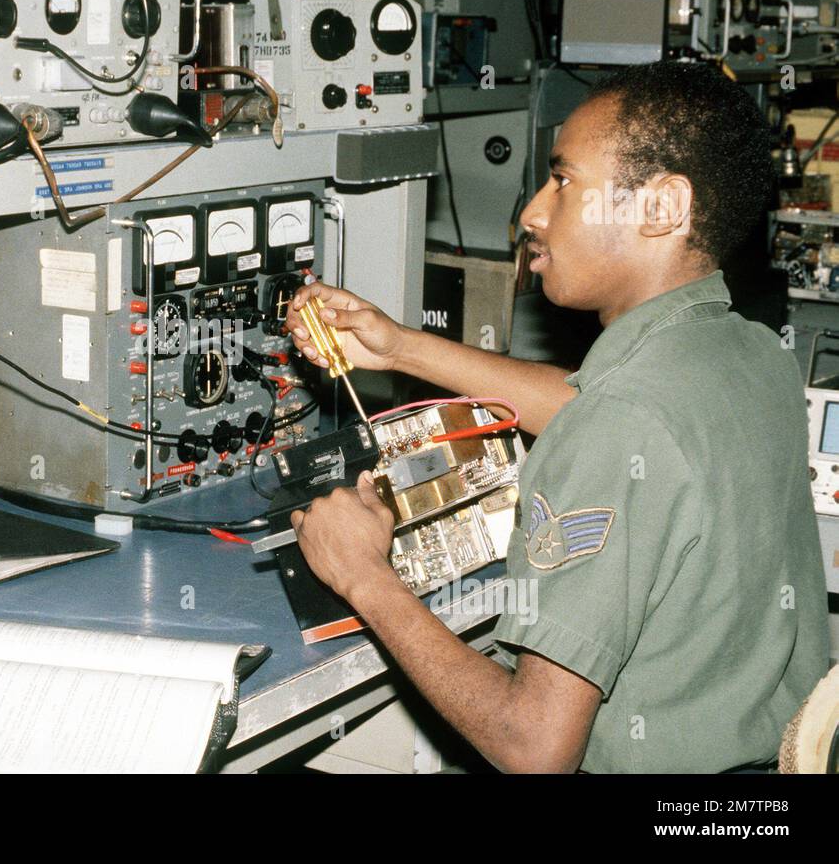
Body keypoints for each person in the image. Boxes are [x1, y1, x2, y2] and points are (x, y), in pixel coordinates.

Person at [284, 61, 830, 773]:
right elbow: (591, 407)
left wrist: (366, 577)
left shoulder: (625, 423)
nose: (533, 213)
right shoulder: (752, 353)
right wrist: (400, 347)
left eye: (563, 181)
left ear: (662, 208)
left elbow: (533, 748)